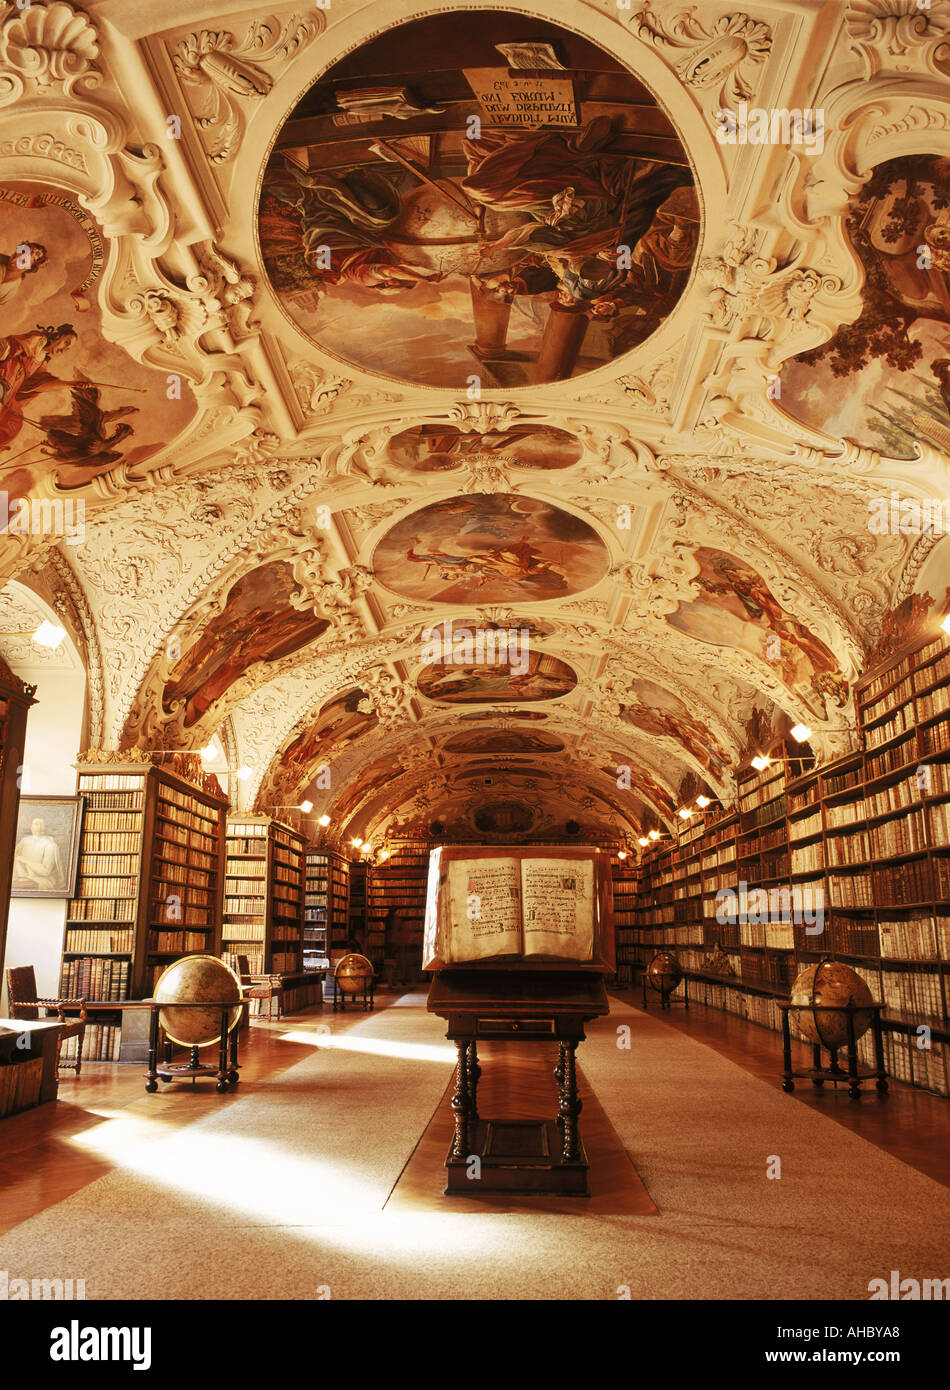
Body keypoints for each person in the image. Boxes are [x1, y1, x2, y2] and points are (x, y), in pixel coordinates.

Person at [12, 817, 64, 892]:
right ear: (31, 826)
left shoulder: (50, 845)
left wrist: (26, 861)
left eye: (41, 824)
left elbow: (46, 871)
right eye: (36, 824)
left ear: (45, 827)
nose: (39, 827)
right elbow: (13, 858)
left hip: (43, 880)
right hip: (23, 878)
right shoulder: (24, 841)